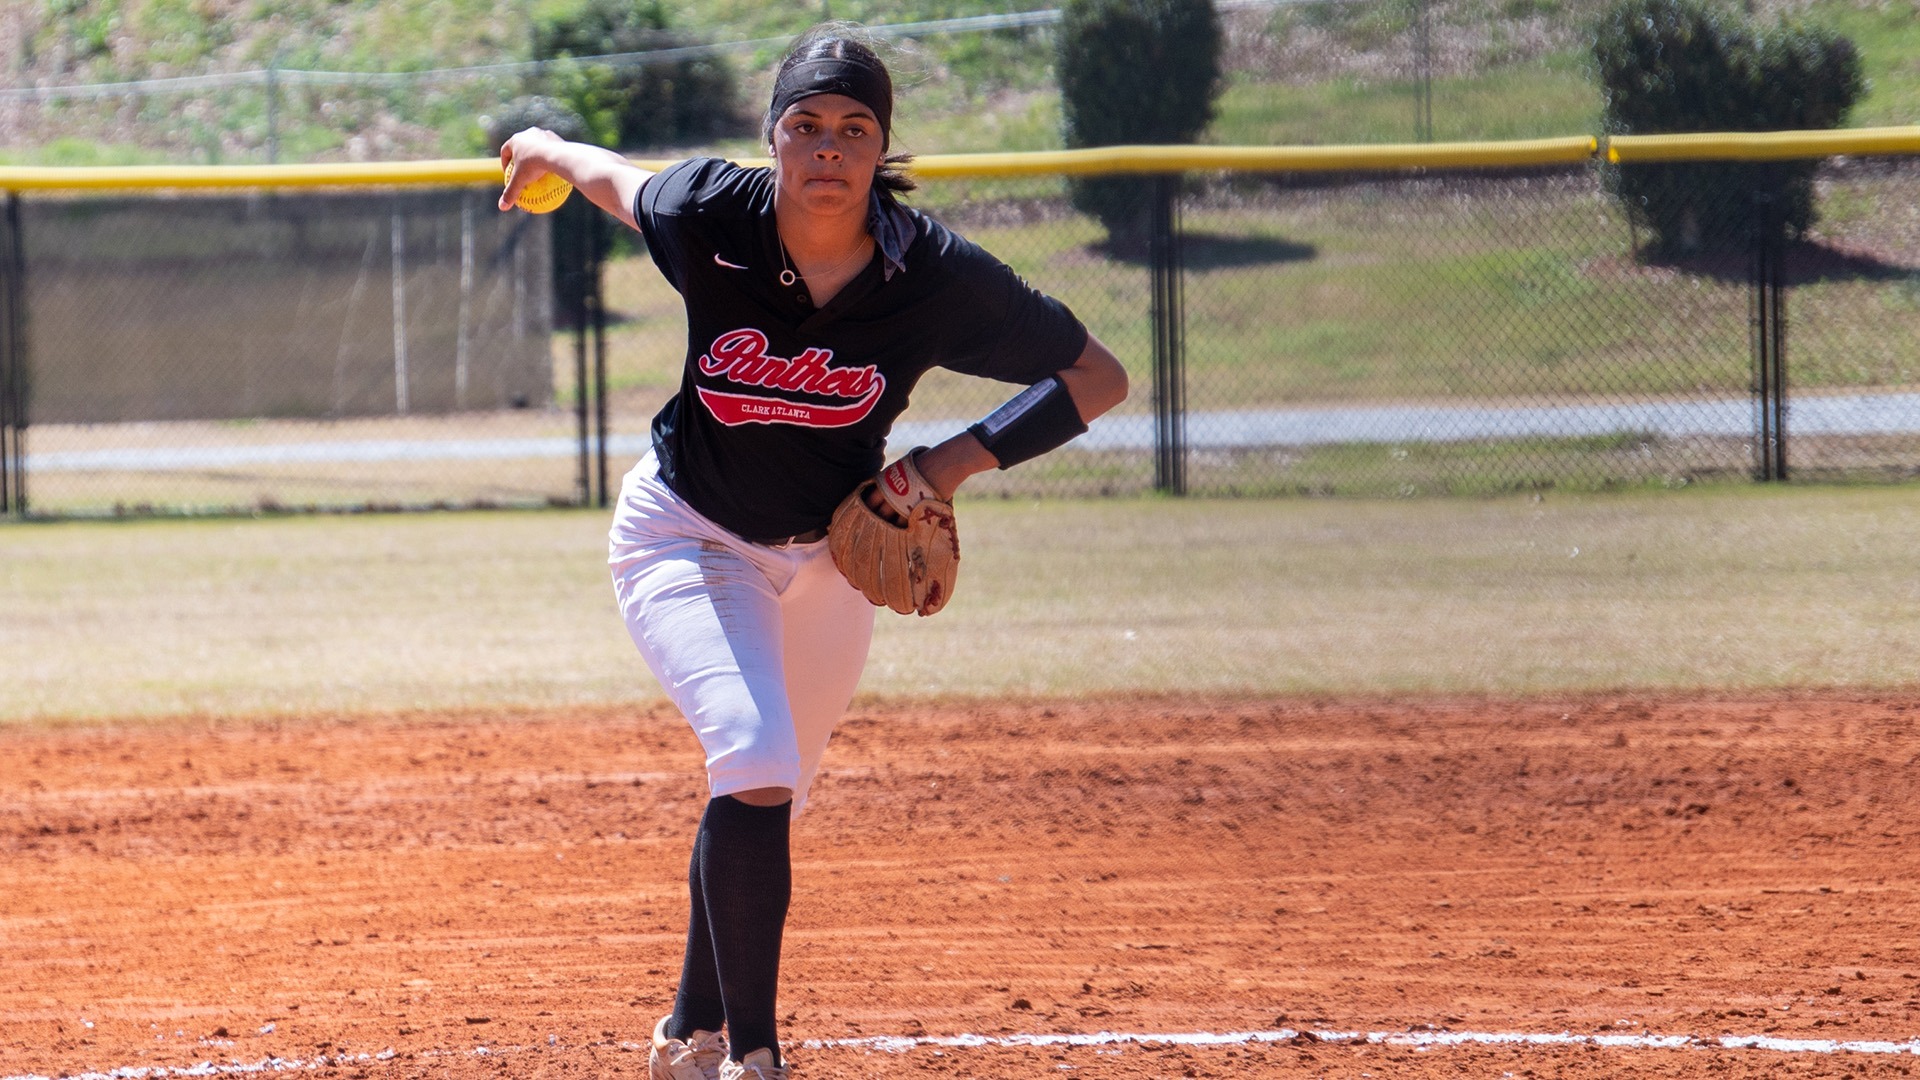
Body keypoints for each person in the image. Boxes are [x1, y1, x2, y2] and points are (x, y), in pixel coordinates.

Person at [497, 24, 1127, 1080]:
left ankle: (687, 1033)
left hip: (834, 557)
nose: (827, 146)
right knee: (751, 754)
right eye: (805, 125)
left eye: (853, 128)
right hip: (687, 533)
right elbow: (612, 178)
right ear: (772, 137)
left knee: (768, 783)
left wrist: (947, 466)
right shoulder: (710, 212)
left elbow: (1095, 377)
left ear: (882, 149)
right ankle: (755, 1056)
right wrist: (543, 148)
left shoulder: (933, 275)